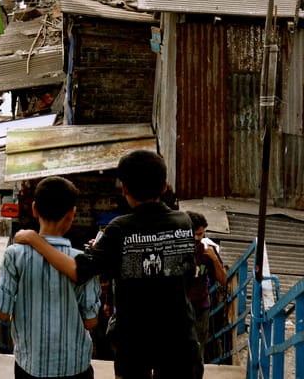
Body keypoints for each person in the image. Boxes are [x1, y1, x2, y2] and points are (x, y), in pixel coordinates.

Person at [14, 150, 200, 379]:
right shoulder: (184, 222)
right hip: (179, 337)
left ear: (125, 189)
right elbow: (186, 274)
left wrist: (34, 239)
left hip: (134, 340)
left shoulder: (119, 228)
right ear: (164, 186)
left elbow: (77, 270)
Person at [0, 176, 100, 379]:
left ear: (34, 209)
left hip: (31, 365)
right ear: (72, 214)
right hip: (75, 367)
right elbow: (91, 322)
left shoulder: (15, 255)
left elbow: (2, 314)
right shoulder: (82, 262)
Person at [187, 211, 227, 366]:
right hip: (180, 308)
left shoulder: (208, 249)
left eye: (202, 234)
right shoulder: (177, 249)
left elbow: (223, 280)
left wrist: (214, 259)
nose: (200, 238)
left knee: (198, 352)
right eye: (197, 234)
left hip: (200, 308)